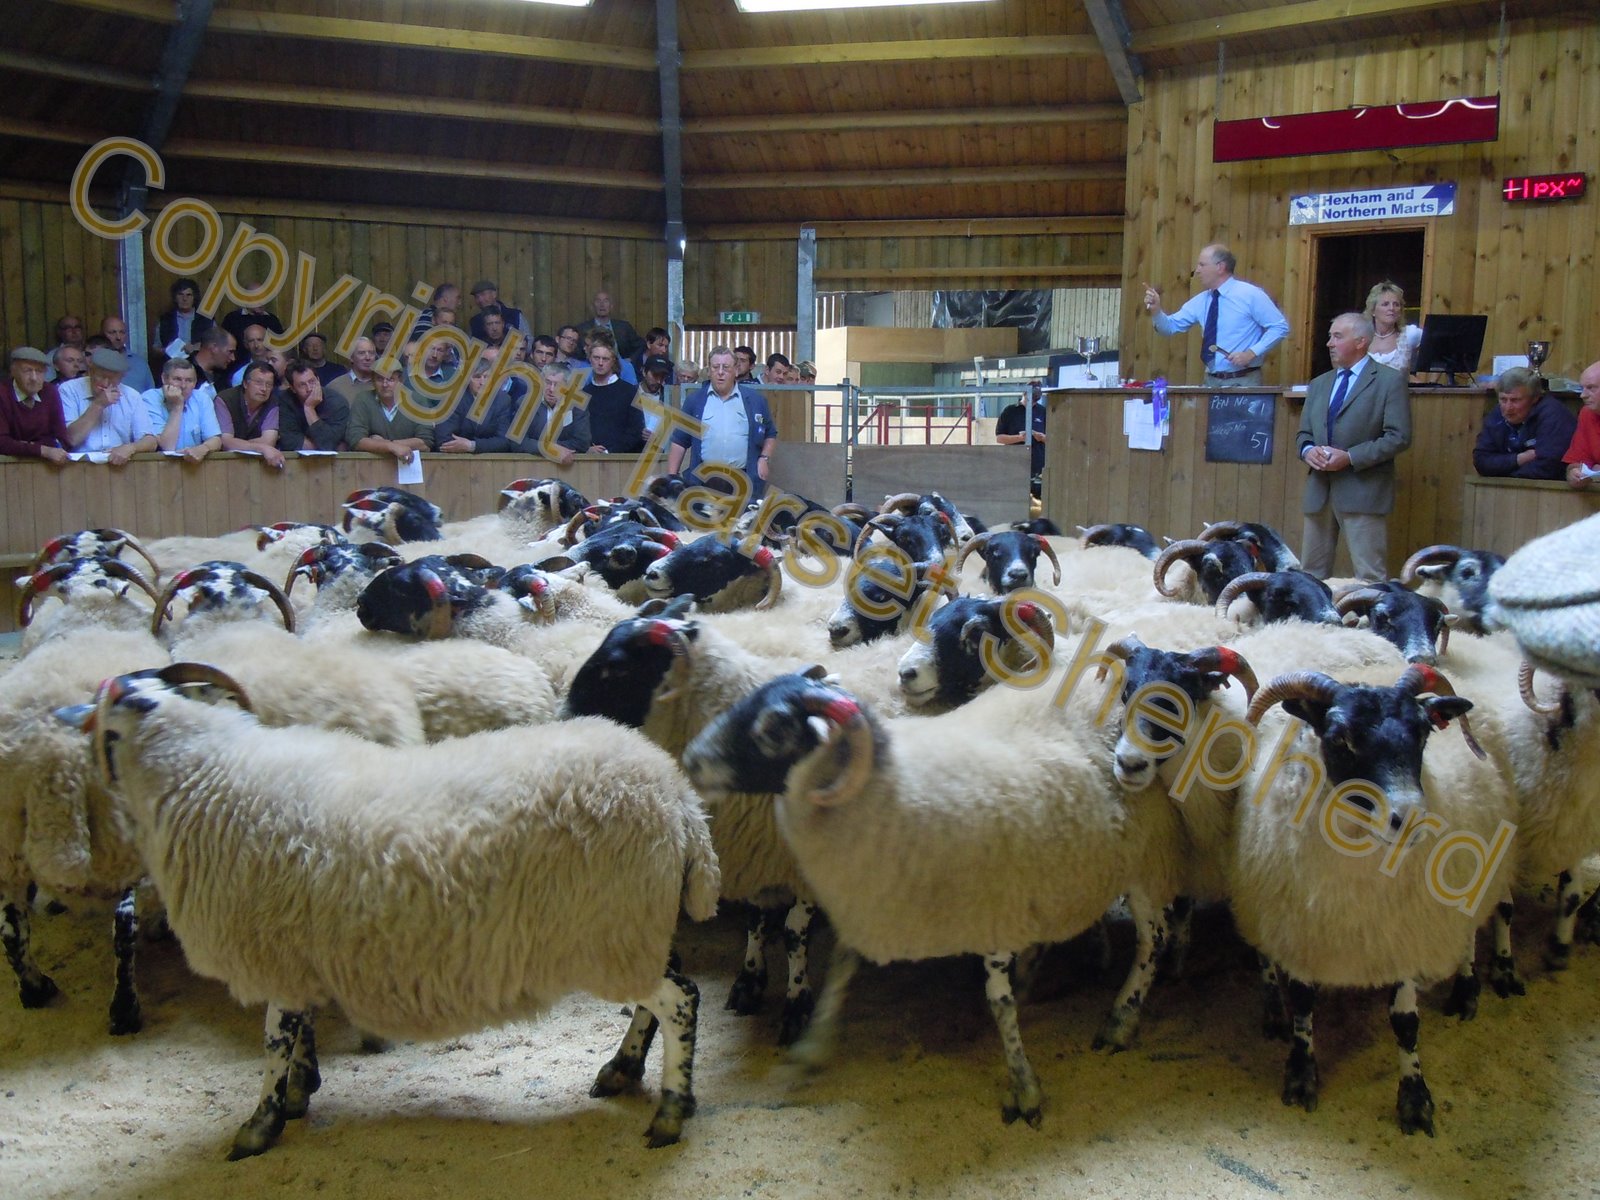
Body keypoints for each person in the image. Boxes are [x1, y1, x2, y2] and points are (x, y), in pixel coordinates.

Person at [1296, 313, 1412, 581]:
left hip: (1363, 490)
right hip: (1320, 491)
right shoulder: (1319, 384)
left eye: (1337, 336)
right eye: (1330, 336)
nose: (1329, 343)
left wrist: (1350, 457)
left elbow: (1399, 437)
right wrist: (1307, 450)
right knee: (1310, 577)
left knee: (1370, 577)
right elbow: (1303, 434)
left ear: (1361, 341)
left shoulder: (1388, 381)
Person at [1143, 243, 1290, 387]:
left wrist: (1251, 353)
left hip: (1244, 381)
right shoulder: (1201, 301)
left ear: (1220, 267)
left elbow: (1279, 327)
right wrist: (1156, 309)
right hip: (1211, 382)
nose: (1197, 271)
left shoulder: (1250, 295)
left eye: (1202, 265)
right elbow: (1168, 328)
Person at [668, 344, 776, 498]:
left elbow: (770, 433)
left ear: (736, 370)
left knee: (743, 522)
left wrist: (764, 459)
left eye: (726, 367)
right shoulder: (695, 401)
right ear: (709, 371)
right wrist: (672, 479)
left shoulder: (756, 401)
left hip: (744, 481)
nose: (720, 372)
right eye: (715, 367)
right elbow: (679, 441)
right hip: (703, 482)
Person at [1473, 365, 1576, 481]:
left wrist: (1504, 473)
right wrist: (1520, 458)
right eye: (1503, 399)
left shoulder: (1554, 415)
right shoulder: (1497, 413)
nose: (1508, 408)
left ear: (1535, 398)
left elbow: (1550, 466)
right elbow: (1481, 461)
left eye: (1515, 400)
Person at [58, 347, 157, 464]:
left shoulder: (132, 396)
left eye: (112, 379)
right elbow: (71, 439)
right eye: (101, 376)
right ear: (91, 372)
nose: (105, 383)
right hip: (79, 466)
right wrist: (98, 404)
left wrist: (131, 448)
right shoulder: (69, 390)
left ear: (122, 378)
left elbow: (151, 442)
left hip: (119, 465)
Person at [436, 349, 520, 455]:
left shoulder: (502, 400)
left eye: (487, 377)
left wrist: (471, 445)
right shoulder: (453, 398)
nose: (482, 382)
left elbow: (504, 442)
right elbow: (443, 439)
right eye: (477, 377)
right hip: (454, 459)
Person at [349, 363, 435, 462]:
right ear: (373, 381)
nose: (385, 384)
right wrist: (390, 446)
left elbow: (425, 442)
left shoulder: (417, 401)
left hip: (410, 466)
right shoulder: (363, 400)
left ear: (401, 381)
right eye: (380, 379)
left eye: (390, 379)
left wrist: (388, 444)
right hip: (371, 465)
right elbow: (356, 440)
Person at [141, 357, 222, 461]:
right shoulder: (149, 398)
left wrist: (202, 449)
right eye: (177, 379)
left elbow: (216, 440)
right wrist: (178, 407)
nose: (183, 386)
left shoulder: (202, 398)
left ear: (195, 382)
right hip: (159, 466)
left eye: (189, 380)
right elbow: (167, 446)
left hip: (194, 464)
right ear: (164, 379)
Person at [0, 346, 71, 462]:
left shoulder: (50, 392)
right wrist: (42, 450)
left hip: (45, 467)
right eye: (27, 371)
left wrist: (21, 445)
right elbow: (2, 443)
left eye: (39, 371)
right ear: (13, 371)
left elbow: (60, 438)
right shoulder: (2, 394)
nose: (33, 378)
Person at [216, 360, 286, 468]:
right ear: (245, 383)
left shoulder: (273, 402)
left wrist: (238, 444)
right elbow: (225, 442)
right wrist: (261, 448)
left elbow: (268, 441)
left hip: (258, 465)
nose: (264, 389)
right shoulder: (225, 399)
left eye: (269, 384)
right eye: (258, 382)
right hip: (224, 464)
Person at [580, 339, 645, 453]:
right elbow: (577, 430)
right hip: (589, 460)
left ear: (613, 361)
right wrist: (586, 449)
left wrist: (610, 452)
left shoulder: (629, 391)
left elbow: (636, 430)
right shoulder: (583, 393)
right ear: (590, 359)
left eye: (605, 359)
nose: (600, 363)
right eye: (596, 357)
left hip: (622, 461)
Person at [521, 365, 592, 465]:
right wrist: (548, 448)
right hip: (532, 465)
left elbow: (582, 442)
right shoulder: (526, 402)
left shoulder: (577, 406)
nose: (551, 389)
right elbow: (517, 441)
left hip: (568, 467)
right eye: (548, 383)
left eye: (557, 385)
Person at [279, 360, 350, 452]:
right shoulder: (284, 400)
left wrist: (309, 409)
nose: (309, 388)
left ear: (318, 380)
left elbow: (329, 444)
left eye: (312, 381)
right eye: (302, 385)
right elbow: (288, 440)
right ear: (293, 388)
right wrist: (319, 447)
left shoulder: (338, 402)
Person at [995, 379, 1047, 494]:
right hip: (1014, 465)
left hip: (1037, 465)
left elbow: (1053, 439)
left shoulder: (1043, 412)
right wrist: (1019, 438)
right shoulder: (1010, 411)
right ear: (1024, 392)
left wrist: (1042, 437)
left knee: (1037, 499)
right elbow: (999, 438)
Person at [152, 277, 214, 370]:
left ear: (194, 297)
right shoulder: (165, 320)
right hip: (172, 368)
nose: (184, 299)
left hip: (199, 368)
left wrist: (196, 347)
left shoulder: (207, 320)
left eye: (188, 295)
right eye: (180, 295)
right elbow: (155, 349)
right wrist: (166, 350)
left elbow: (216, 345)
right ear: (175, 297)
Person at [1363, 281, 1422, 375]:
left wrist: (1431, 386)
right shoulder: (1361, 337)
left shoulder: (1410, 334)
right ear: (1373, 310)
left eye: (1396, 304)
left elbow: (1437, 348)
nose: (1391, 308)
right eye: (1385, 304)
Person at [1562, 360, 1600, 490]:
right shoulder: (1587, 413)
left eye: (1591, 388)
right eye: (1581, 388)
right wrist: (1574, 474)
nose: (1583, 395)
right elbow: (1576, 463)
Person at [577, 290, 642, 362]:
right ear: (593, 306)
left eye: (606, 301)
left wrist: (631, 359)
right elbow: (577, 352)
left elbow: (640, 345)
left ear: (611, 306)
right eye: (598, 301)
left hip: (621, 367)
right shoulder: (582, 328)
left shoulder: (624, 327)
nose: (602, 305)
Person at [99, 316, 155, 393]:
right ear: (101, 334)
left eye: (122, 332)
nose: (118, 337)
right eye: (112, 332)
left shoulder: (140, 363)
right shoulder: (95, 362)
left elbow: (151, 393)